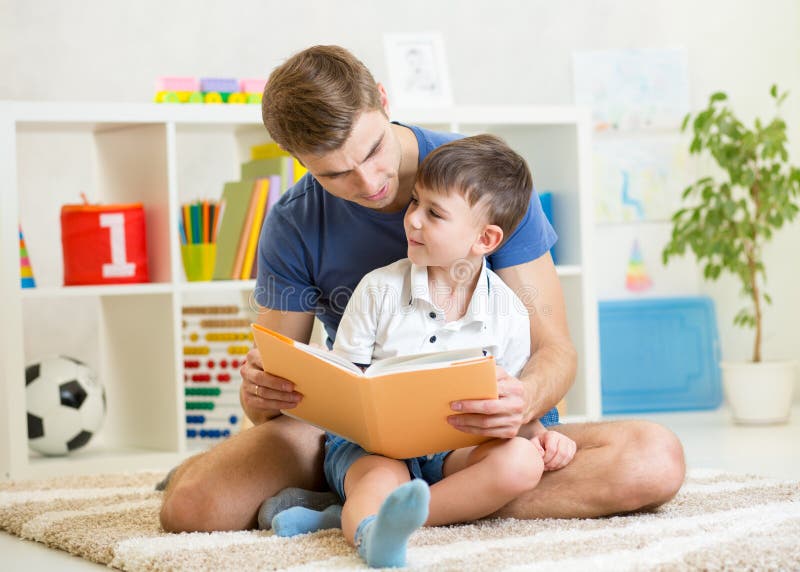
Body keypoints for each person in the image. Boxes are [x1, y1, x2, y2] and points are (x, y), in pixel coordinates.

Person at [158, 45, 685, 534]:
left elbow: (557, 350)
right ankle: (396, 495)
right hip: (364, 431)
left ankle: (366, 510)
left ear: (384, 101)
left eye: (373, 150)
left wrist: (520, 404)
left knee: (652, 460)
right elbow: (276, 397)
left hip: (482, 431)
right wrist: (260, 393)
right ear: (296, 157)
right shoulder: (295, 222)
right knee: (192, 507)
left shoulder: (483, 184)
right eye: (336, 174)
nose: (368, 183)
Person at [269, 134, 577, 568]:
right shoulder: (378, 289)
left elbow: (511, 404)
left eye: (434, 213)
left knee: (522, 465)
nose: (412, 220)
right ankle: (373, 535)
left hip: (458, 452)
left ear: (485, 239)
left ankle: (368, 517)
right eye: (415, 203)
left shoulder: (508, 310)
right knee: (379, 478)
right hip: (375, 449)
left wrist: (541, 438)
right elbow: (344, 380)